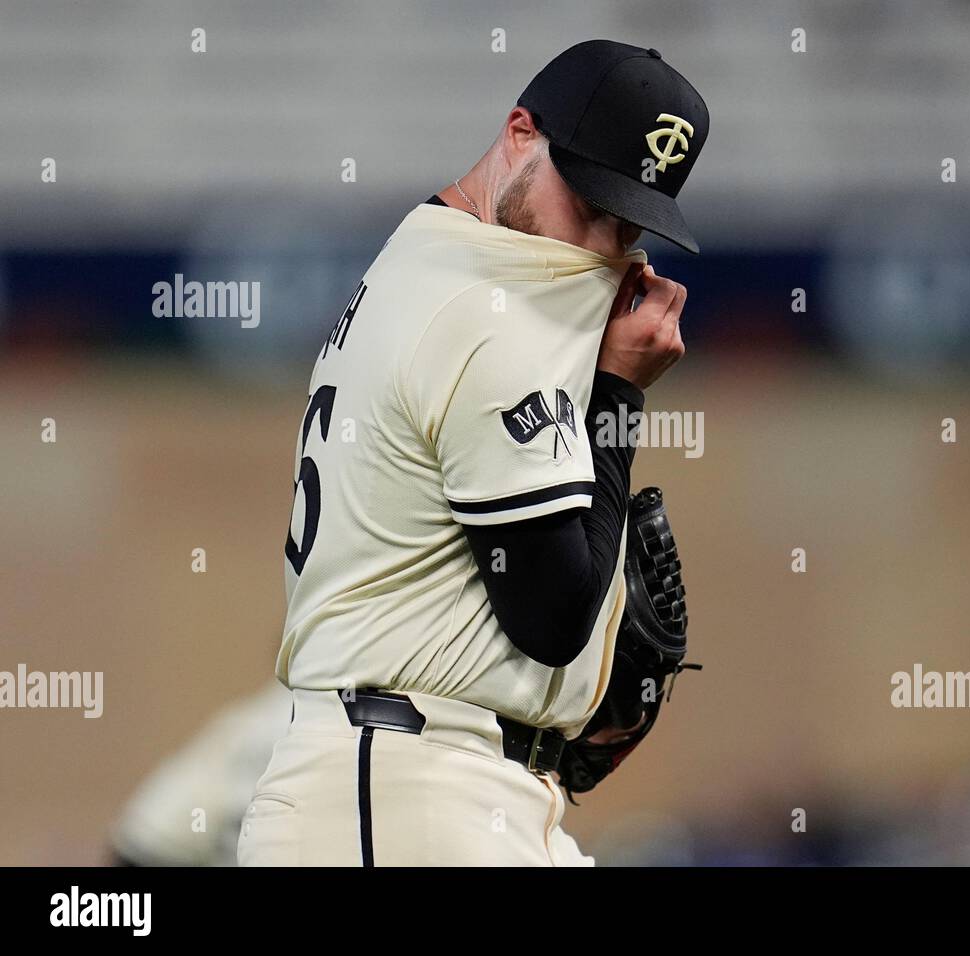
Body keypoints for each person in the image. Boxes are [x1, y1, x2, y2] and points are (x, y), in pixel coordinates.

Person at [238, 39, 709, 866]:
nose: (602, 243)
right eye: (589, 202)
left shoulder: (429, 256)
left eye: (628, 222)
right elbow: (553, 618)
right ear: (520, 133)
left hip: (430, 784)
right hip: (407, 787)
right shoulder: (489, 307)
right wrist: (619, 396)